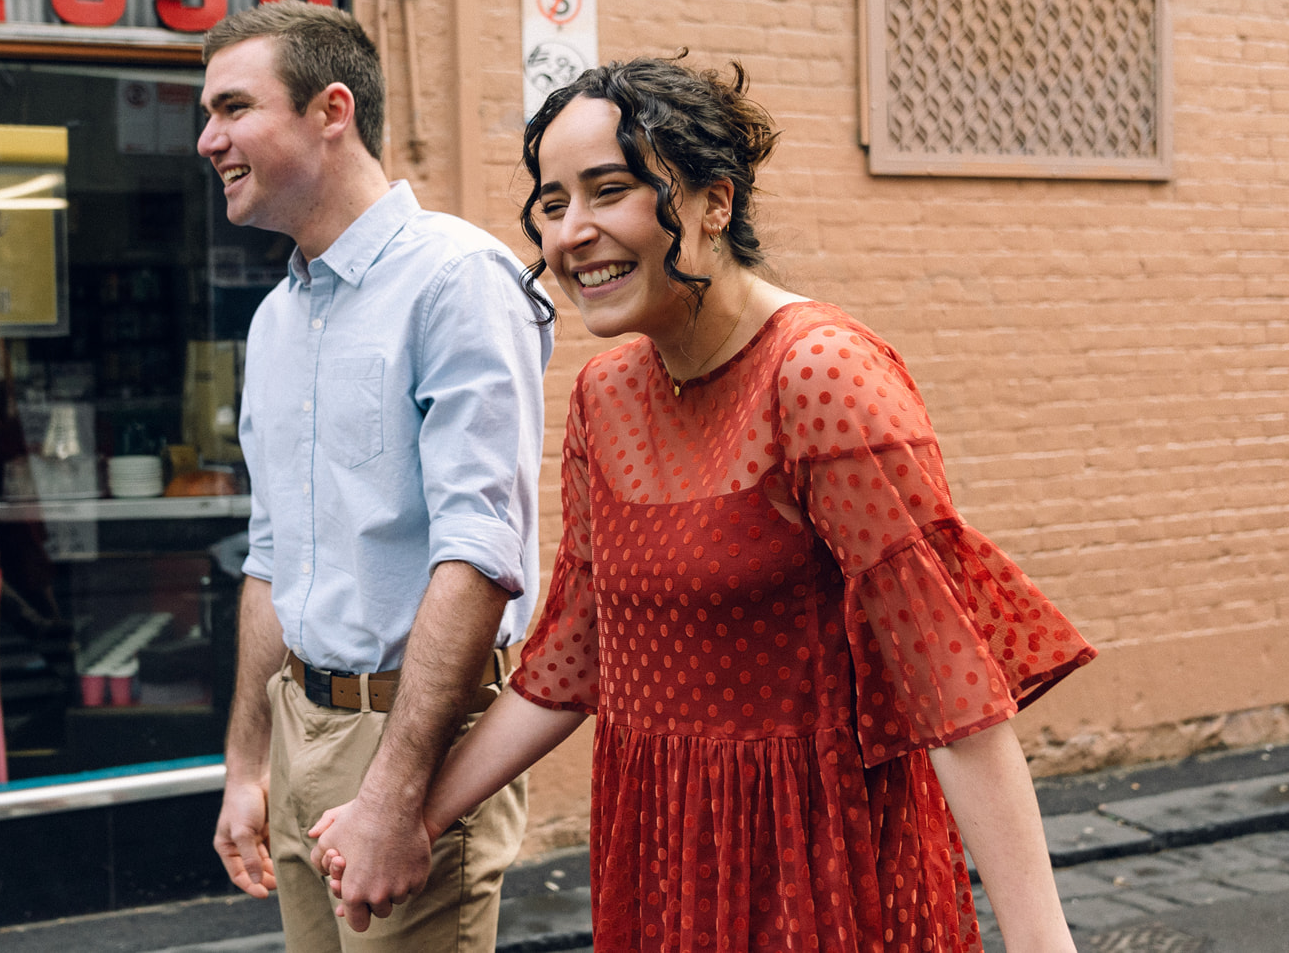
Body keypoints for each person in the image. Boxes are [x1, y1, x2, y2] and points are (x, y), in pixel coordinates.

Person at [313, 54, 1097, 952]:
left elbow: (950, 689)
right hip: (660, 856)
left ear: (713, 203)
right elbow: (576, 655)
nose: (573, 232)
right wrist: (407, 815)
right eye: (555, 202)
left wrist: (1042, 942)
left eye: (610, 190)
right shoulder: (605, 396)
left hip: (814, 864)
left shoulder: (821, 376)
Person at [198, 0, 553, 952]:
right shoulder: (277, 318)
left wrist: (398, 796)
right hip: (297, 722)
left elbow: (480, 555)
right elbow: (271, 556)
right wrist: (247, 762)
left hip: (411, 735)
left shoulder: (457, 281)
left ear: (332, 110)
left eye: (233, 107)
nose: (207, 139)